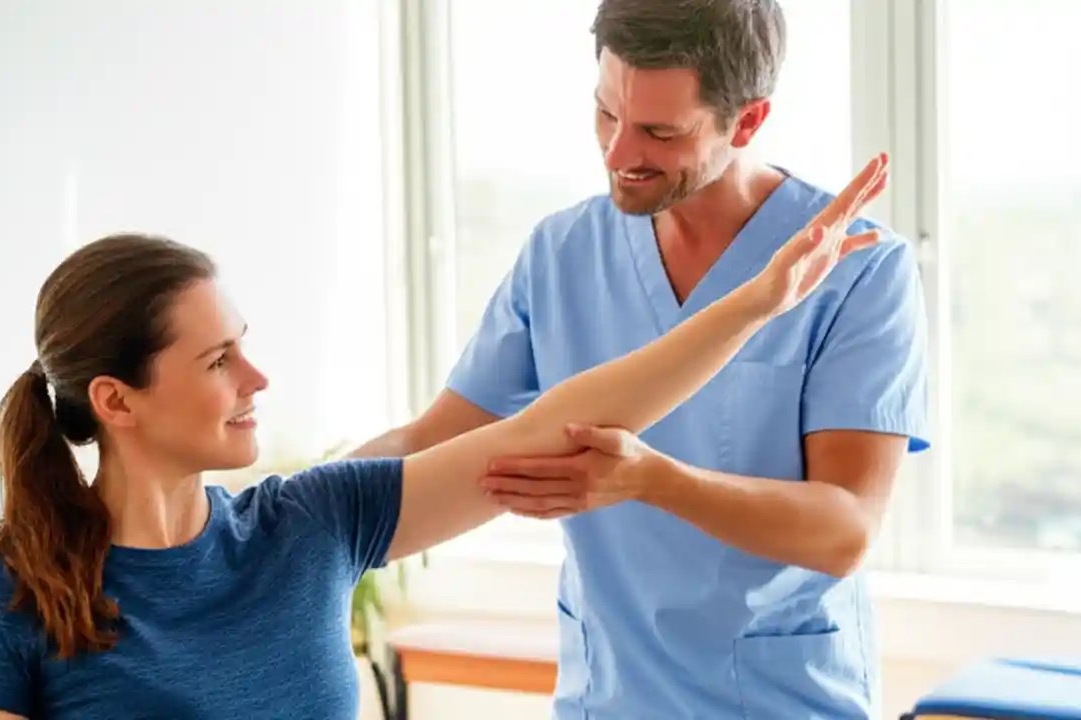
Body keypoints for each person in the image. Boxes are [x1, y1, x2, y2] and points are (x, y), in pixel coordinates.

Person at [0, 155, 888, 719]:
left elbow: (558, 423)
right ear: (117, 400)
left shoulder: (311, 524)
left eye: (245, 347)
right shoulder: (6, 598)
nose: (256, 379)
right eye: (217, 361)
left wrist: (756, 305)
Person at [346, 1, 929, 717]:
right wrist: (270, 515)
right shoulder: (562, 253)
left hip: (776, 699)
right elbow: (434, 440)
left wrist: (653, 481)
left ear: (746, 122)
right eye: (606, 114)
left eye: (659, 132)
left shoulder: (857, 269)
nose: (618, 153)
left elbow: (846, 529)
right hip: (607, 695)